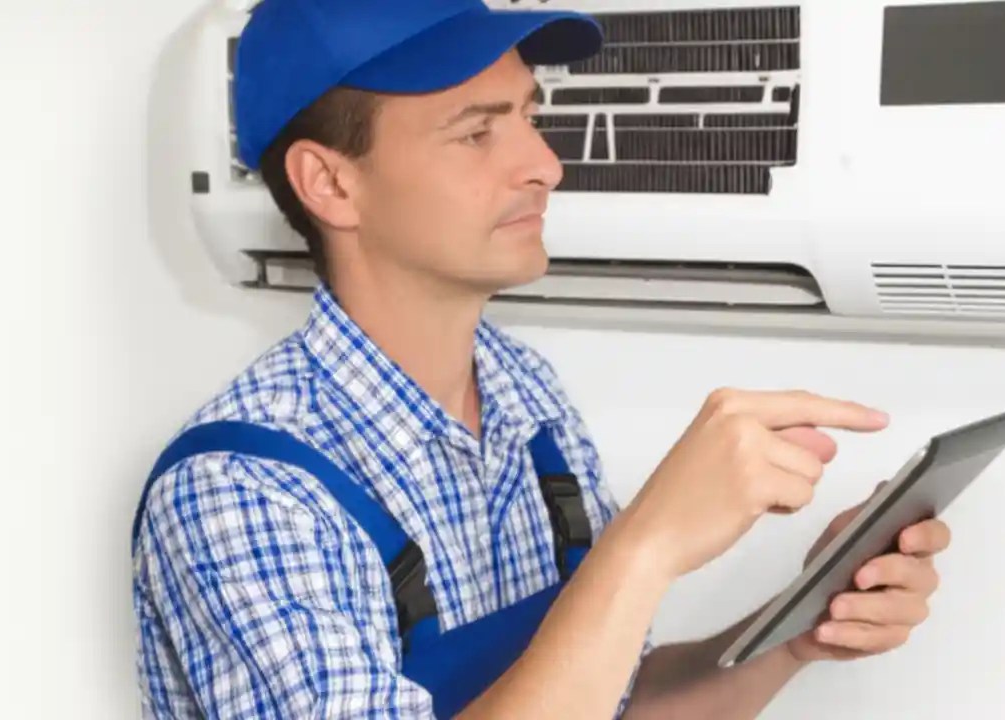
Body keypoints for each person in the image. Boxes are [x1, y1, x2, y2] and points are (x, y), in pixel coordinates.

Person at [130, 1, 952, 717]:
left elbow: (608, 703)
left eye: (529, 117)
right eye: (476, 133)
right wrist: (644, 547)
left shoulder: (528, 397)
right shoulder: (242, 488)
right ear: (330, 185)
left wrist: (801, 630)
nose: (545, 166)